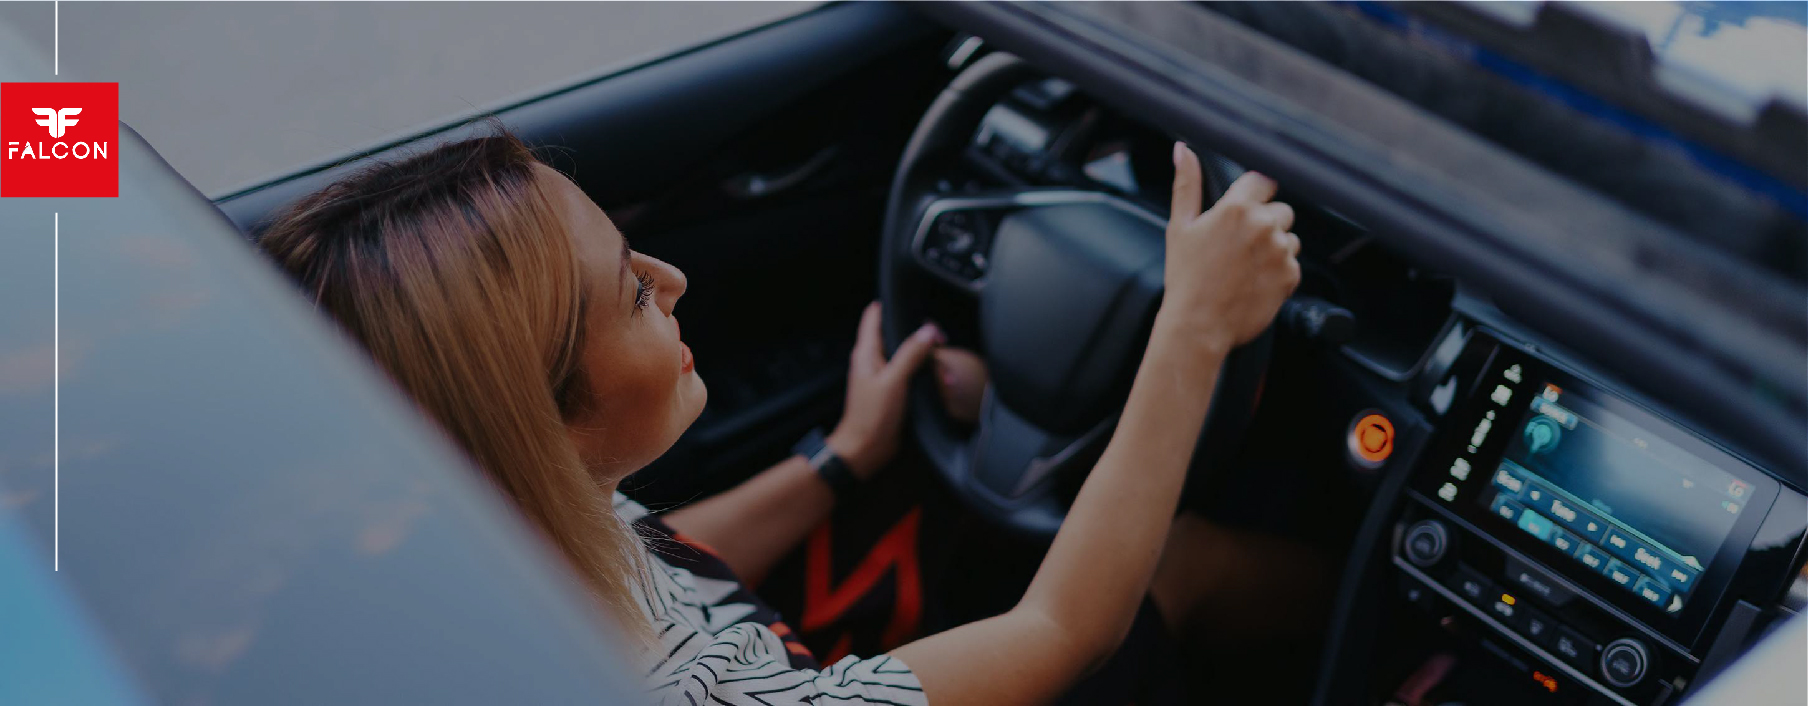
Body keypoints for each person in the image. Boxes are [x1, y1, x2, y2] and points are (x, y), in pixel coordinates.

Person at [258, 132, 1302, 705]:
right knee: (1178, 560)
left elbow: (659, 558)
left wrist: (840, 460)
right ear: (537, 422)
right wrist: (1194, 324)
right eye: (627, 291)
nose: (670, 279)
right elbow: (1061, 631)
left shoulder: (477, 533)